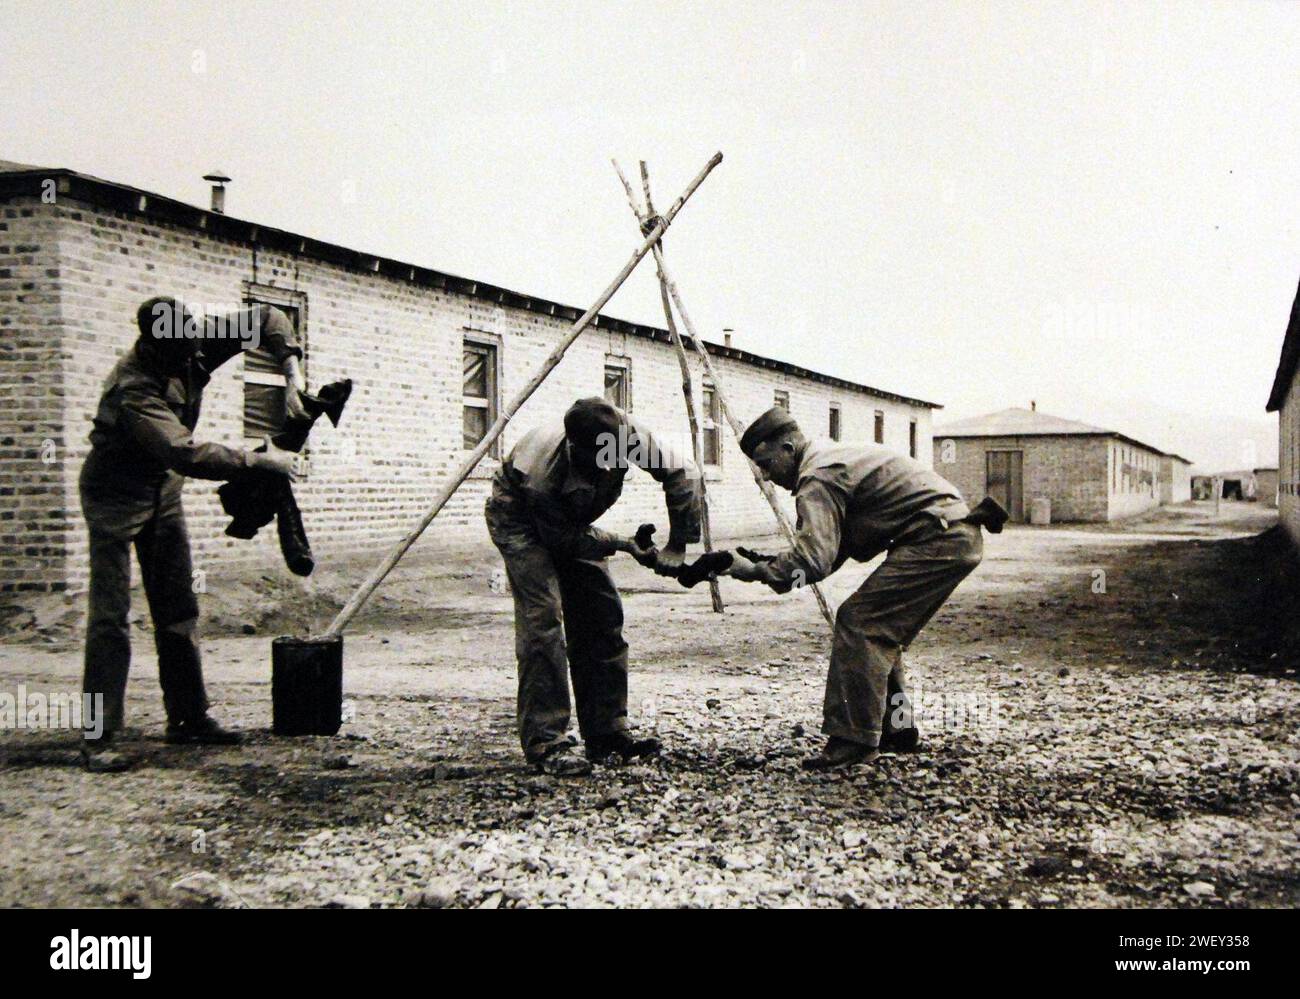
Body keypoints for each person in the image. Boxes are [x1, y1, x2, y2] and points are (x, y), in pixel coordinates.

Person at [79, 296, 303, 772]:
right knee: (110, 617)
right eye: (180, 355)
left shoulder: (193, 340)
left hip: (163, 492)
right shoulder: (134, 387)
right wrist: (259, 460)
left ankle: (187, 718)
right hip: (114, 495)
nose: (192, 360)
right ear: (154, 347)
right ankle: (98, 738)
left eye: (193, 348)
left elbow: (267, 319)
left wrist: (291, 372)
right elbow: (183, 451)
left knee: (178, 606)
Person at [722, 407, 989, 770]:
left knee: (861, 622)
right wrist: (772, 564)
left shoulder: (817, 478)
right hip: (953, 533)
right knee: (880, 628)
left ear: (787, 447)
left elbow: (813, 561)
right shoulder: (830, 460)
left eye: (766, 464)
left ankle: (854, 740)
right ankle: (893, 727)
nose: (767, 476)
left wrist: (753, 571)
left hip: (940, 537)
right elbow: (832, 551)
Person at [485, 397, 701, 776]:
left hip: (572, 522)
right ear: (573, 449)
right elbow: (566, 541)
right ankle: (547, 741)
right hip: (521, 522)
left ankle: (606, 733)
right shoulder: (541, 475)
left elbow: (685, 473)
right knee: (544, 622)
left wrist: (677, 546)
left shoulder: (628, 435)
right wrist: (623, 544)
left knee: (602, 613)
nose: (609, 465)